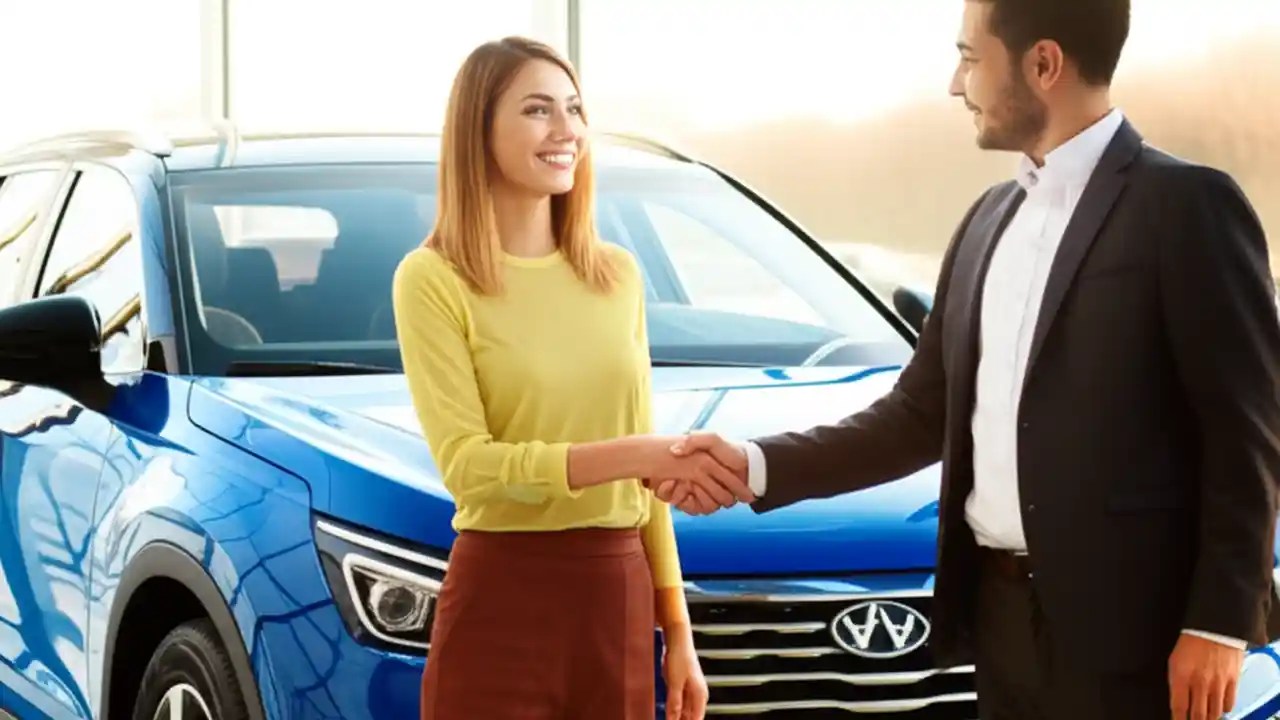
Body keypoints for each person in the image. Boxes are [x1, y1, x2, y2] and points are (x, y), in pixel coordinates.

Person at [658, 1, 1280, 718]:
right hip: (1000, 624)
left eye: (969, 58)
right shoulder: (987, 221)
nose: (957, 85)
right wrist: (752, 464)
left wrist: (1219, 623)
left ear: (1043, 64)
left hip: (1141, 634)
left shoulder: (1188, 206)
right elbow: (916, 417)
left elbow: (1248, 435)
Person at [393, 36, 748, 720]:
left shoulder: (616, 275)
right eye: (538, 110)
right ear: (479, 130)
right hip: (501, 598)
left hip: (616, 596)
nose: (567, 130)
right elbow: (469, 469)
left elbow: (647, 475)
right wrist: (636, 455)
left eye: (575, 109)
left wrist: (678, 633)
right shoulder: (433, 279)